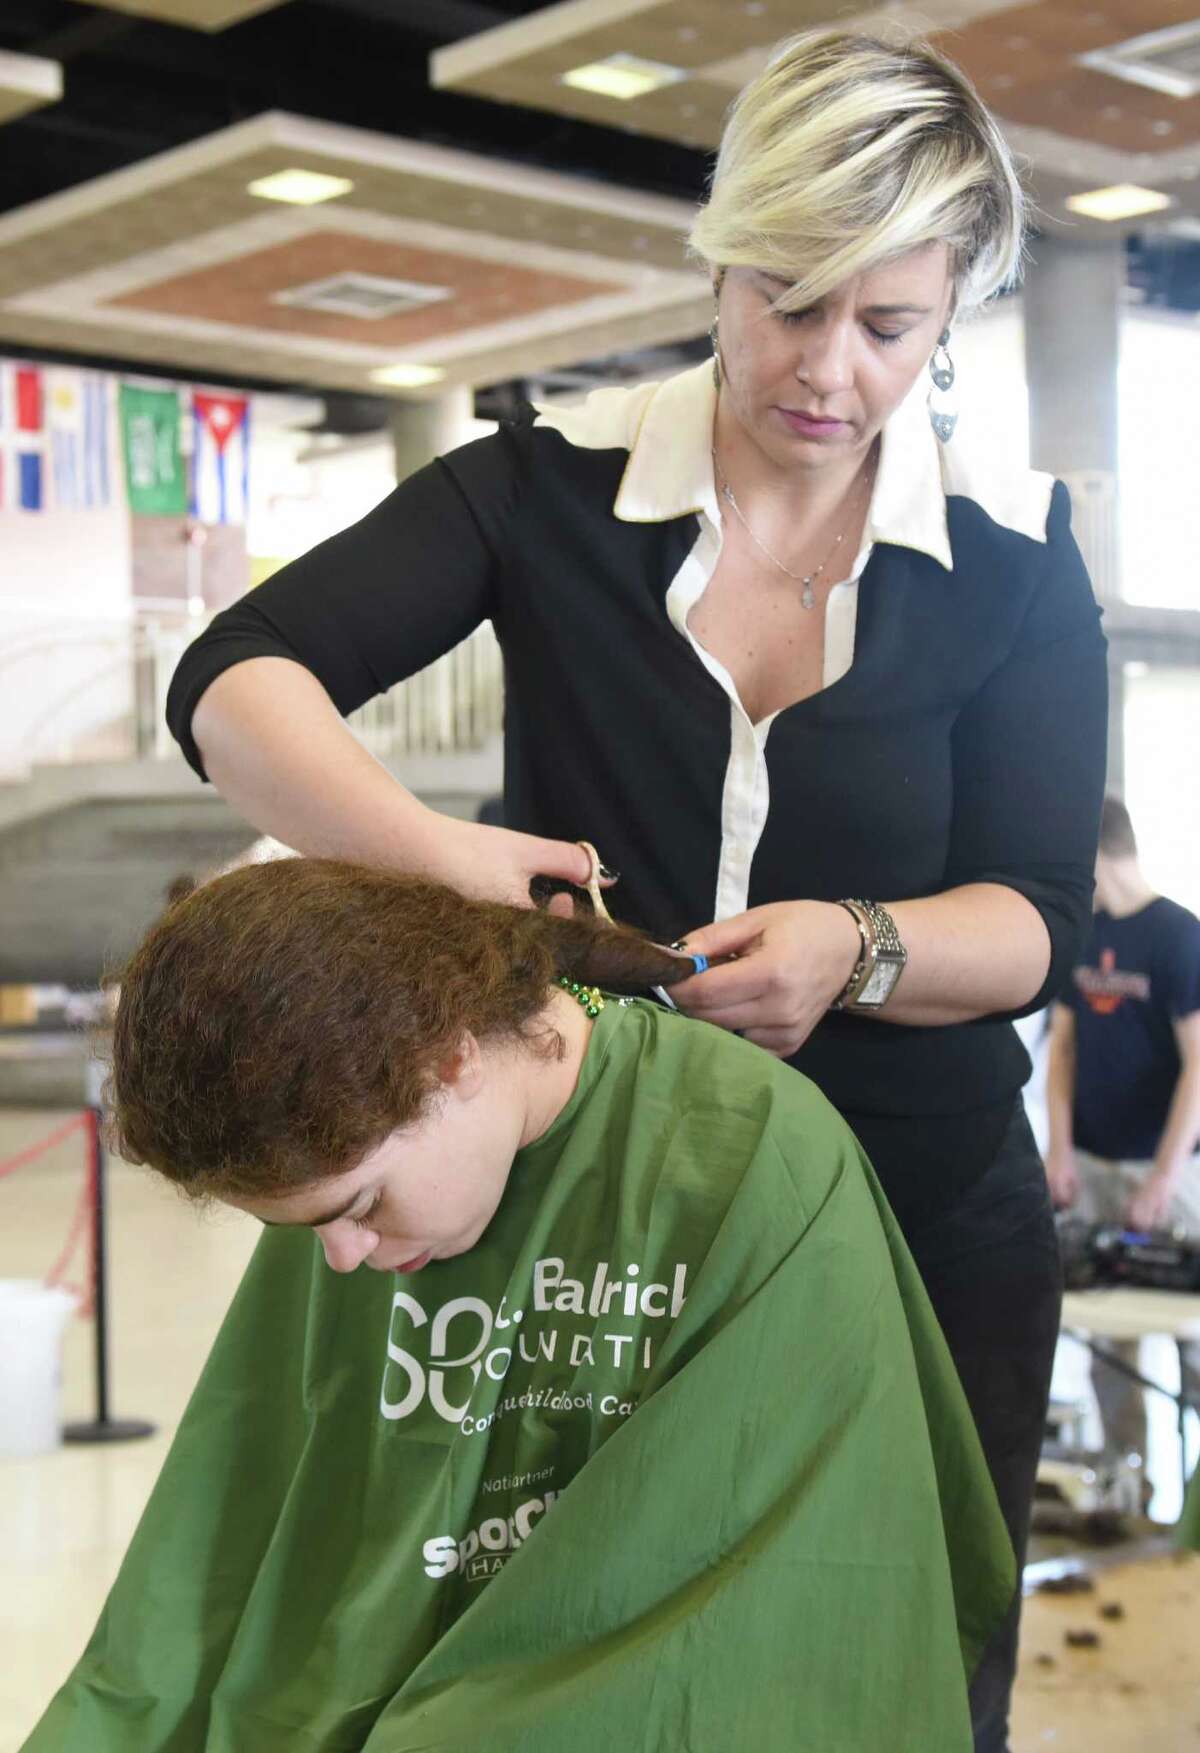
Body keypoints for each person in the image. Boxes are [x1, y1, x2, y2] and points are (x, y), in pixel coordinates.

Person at [162, 32, 1107, 1751]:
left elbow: (1044, 914)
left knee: (897, 1659)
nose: (828, 368)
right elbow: (241, 676)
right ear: (720, 257)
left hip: (915, 1213)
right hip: (592, 1220)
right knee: (567, 1655)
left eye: (887, 325)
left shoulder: (1017, 552)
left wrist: (862, 945)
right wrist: (442, 856)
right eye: (786, 301)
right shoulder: (545, 487)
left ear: (953, 305)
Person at [25, 858, 1014, 1752]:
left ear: (450, 1058)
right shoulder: (342, 1149)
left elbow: (773, 1608)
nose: (345, 1258)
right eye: (305, 1229)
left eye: (361, 1204)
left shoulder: (751, 1151)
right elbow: (219, 1576)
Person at [1045, 795, 1200, 1473]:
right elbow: (1062, 1050)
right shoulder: (1082, 931)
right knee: (1111, 1343)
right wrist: (1058, 1147)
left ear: (1096, 849)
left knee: (1190, 1335)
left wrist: (1164, 1174)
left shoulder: (1178, 934)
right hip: (1090, 1162)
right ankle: (1123, 1474)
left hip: (1163, 1172)